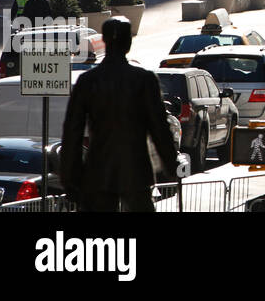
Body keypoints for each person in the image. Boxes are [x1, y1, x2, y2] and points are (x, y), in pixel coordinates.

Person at [60, 16, 180, 212]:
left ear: (105, 42)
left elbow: (72, 133)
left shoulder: (87, 81)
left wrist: (70, 178)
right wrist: (171, 166)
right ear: (128, 43)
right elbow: (159, 128)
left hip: (98, 171)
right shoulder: (144, 80)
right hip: (136, 171)